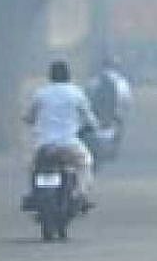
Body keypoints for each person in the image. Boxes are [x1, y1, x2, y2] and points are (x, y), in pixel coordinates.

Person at [23, 60, 100, 209]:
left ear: (50, 76)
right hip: (69, 144)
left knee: (33, 166)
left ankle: (34, 193)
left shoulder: (41, 93)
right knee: (85, 163)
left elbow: (29, 116)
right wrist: (93, 126)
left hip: (44, 145)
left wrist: (31, 121)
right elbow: (89, 118)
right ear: (68, 76)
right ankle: (80, 195)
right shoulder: (76, 93)